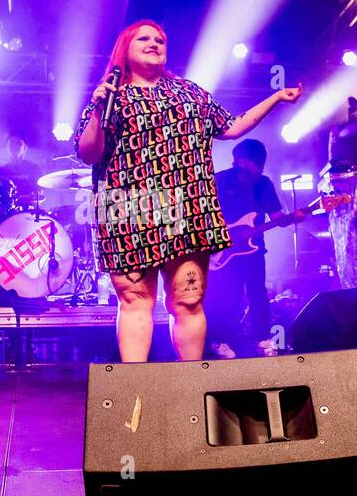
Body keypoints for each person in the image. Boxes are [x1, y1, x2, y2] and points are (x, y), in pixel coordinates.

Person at [75, 19, 302, 362]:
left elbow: (233, 126)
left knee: (188, 300)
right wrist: (96, 109)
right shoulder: (110, 96)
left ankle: (190, 392)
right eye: (145, 38)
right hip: (128, 209)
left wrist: (275, 98)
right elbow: (88, 153)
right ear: (125, 47)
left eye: (160, 39)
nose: (155, 43)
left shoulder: (189, 92)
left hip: (187, 207)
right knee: (136, 300)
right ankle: (134, 392)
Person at [209, 139, 283, 358]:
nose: (259, 166)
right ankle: (221, 340)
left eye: (261, 162)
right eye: (255, 161)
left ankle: (262, 338)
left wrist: (294, 217)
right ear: (241, 160)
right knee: (227, 296)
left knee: (258, 294)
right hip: (223, 250)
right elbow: (205, 215)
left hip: (253, 250)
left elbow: (277, 217)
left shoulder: (264, 184)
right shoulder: (220, 180)